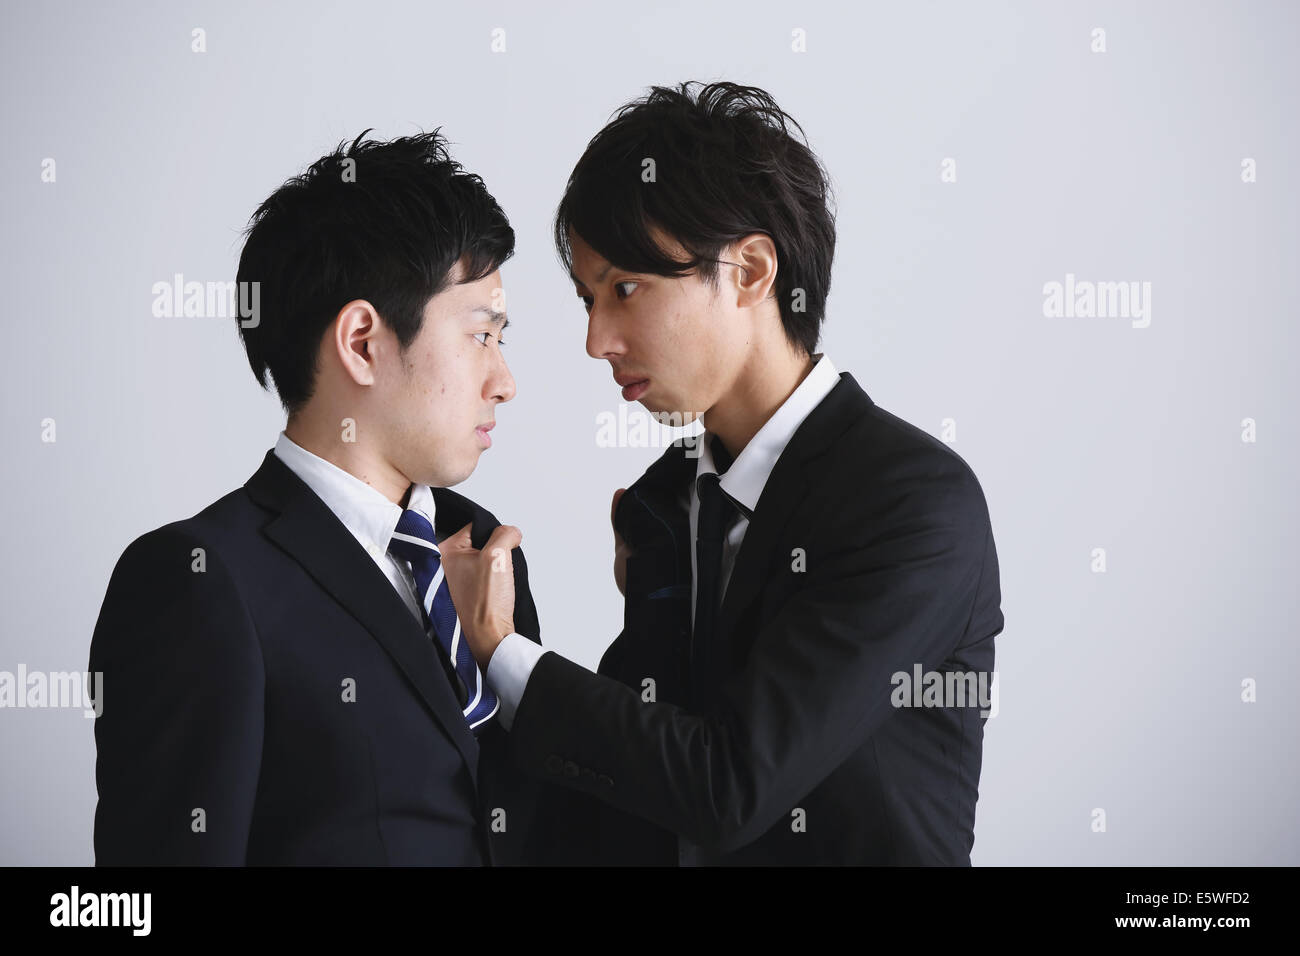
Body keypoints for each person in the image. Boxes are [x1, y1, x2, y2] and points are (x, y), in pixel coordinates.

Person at [441, 82, 1006, 865]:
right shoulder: (664, 502)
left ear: (749, 272)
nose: (597, 338)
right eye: (587, 299)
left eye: (626, 289)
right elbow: (630, 792)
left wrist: (499, 647)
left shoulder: (911, 504)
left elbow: (729, 784)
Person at [89, 130, 540, 865]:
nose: (505, 381)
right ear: (362, 342)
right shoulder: (201, 580)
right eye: (481, 337)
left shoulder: (483, 549)